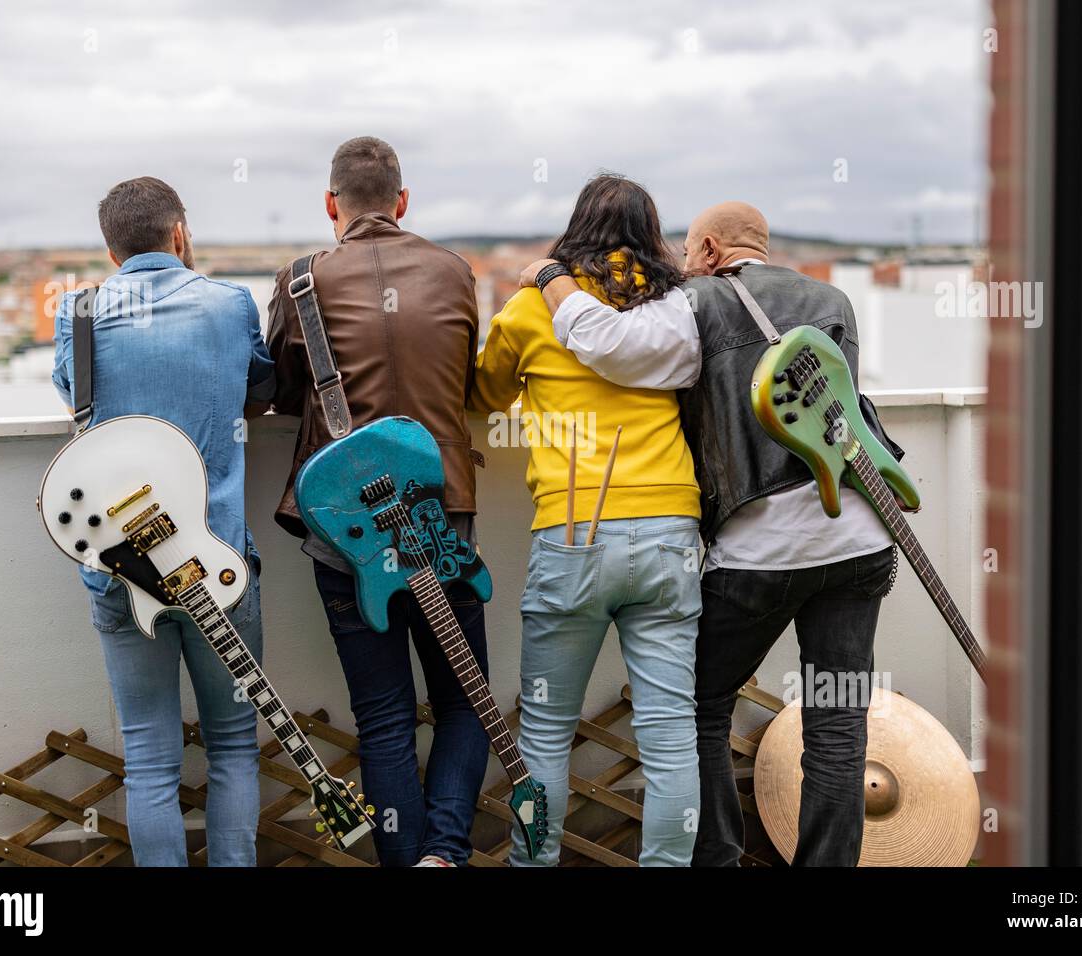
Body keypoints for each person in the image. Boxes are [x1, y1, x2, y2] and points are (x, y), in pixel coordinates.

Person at [523, 200, 907, 867]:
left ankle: (718, 858)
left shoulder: (696, 302)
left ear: (705, 248)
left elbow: (613, 348)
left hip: (763, 547)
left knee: (697, 710)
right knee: (837, 722)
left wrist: (551, 276)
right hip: (861, 538)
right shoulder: (833, 298)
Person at [266, 136, 488, 868]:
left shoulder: (301, 280)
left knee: (384, 716)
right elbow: (460, 383)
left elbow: (284, 395)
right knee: (462, 702)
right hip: (442, 513)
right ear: (403, 201)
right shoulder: (456, 272)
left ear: (331, 204)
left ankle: (405, 859)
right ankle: (444, 855)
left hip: (345, 528)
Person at [470, 173, 703, 867]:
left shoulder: (532, 306)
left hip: (575, 532)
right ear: (650, 233)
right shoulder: (670, 300)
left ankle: (532, 861)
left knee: (543, 732)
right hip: (670, 529)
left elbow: (483, 396)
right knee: (670, 733)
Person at [52, 176, 275, 866]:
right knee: (234, 742)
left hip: (120, 568)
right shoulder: (230, 303)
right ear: (180, 232)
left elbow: (74, 398)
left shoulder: (78, 313)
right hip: (220, 564)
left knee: (149, 756)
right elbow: (260, 388)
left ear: (111, 248)